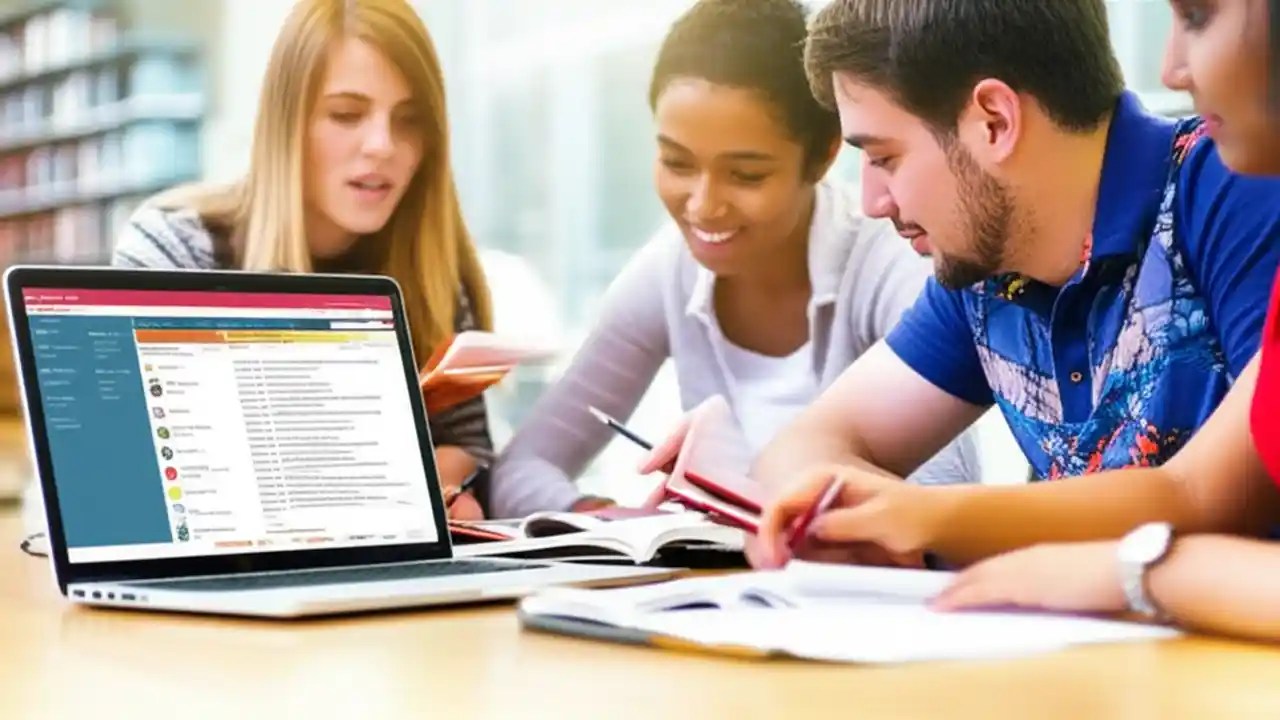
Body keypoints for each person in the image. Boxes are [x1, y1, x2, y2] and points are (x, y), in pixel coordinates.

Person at [748, 0, 1280, 568]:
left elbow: (1219, 497)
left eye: (885, 158)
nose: (873, 203)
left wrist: (924, 520)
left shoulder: (1240, 186)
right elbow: (801, 451)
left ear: (994, 122)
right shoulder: (985, 265)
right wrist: (864, 520)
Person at [487, 0, 982, 520]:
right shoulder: (668, 273)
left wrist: (761, 514)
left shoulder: (892, 266)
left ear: (823, 156)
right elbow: (521, 469)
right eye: (677, 163)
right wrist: (614, 522)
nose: (704, 206)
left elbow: (939, 500)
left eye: (746, 175)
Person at [905, 0, 1280, 643]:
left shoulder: (1231, 187)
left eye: (1197, 16)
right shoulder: (978, 274)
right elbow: (1194, 491)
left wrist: (1140, 572)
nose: (1170, 70)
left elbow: (1196, 500)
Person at [109, 0, 494, 520]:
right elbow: (130, 462)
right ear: (286, 122)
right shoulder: (173, 250)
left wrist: (439, 492)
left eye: (409, 120)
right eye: (346, 114)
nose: (382, 145)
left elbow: (467, 444)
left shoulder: (433, 273)